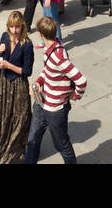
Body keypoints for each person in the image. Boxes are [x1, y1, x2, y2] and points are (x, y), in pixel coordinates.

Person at [25, 16, 86, 164]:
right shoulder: (49, 48)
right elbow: (47, 70)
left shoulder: (59, 57)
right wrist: (39, 81)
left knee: (62, 144)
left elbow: (81, 80)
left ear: (40, 34)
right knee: (32, 139)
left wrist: (75, 95)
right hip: (42, 103)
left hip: (55, 109)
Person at [0, 13, 35, 164]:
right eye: (11, 26)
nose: (14, 30)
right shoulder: (4, 36)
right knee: (2, 114)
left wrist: (8, 66)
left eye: (17, 27)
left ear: (22, 26)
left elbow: (27, 71)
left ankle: (15, 147)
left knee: (19, 116)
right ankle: (1, 143)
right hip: (4, 83)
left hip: (19, 85)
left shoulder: (27, 44)